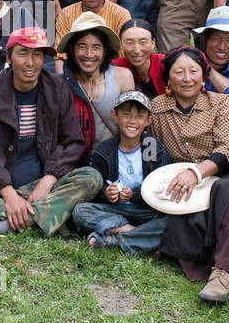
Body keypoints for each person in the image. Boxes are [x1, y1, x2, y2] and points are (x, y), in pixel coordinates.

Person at [0, 27, 102, 237]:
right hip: (2, 189)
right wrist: (8, 194)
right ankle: (41, 215)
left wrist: (49, 179)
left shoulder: (57, 88)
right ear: (9, 57)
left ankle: (8, 223)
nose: (30, 62)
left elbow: (73, 141)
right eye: (23, 53)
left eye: (37, 54)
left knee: (91, 178)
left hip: (46, 185)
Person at [149, 46, 229, 303]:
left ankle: (224, 274)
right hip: (184, 182)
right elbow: (150, 149)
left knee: (224, 190)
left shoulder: (221, 103)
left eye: (193, 71)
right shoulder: (157, 108)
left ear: (204, 75)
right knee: (174, 212)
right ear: (168, 78)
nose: (186, 78)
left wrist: (196, 172)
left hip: (225, 173)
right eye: (179, 72)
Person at [72, 91, 171, 253]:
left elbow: (159, 190)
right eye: (126, 114)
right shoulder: (105, 150)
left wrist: (134, 195)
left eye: (140, 116)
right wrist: (107, 193)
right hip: (117, 210)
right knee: (80, 211)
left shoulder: (151, 147)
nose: (133, 121)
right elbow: (97, 190)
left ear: (148, 120)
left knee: (172, 222)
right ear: (114, 115)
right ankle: (138, 235)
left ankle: (114, 238)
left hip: (146, 211)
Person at [58, 12, 135, 149]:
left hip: (112, 157)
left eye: (96, 47)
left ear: (105, 50)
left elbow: (132, 123)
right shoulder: (61, 84)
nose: (89, 55)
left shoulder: (123, 77)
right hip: (74, 161)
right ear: (71, 49)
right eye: (82, 46)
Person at [193, 6, 229, 108]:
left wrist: (208, 70)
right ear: (205, 40)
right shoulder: (191, 62)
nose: (222, 47)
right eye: (216, 39)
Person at [113, 19, 167, 98]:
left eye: (143, 42)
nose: (137, 50)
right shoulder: (115, 68)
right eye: (129, 43)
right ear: (121, 44)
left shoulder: (166, 64)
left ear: (153, 43)